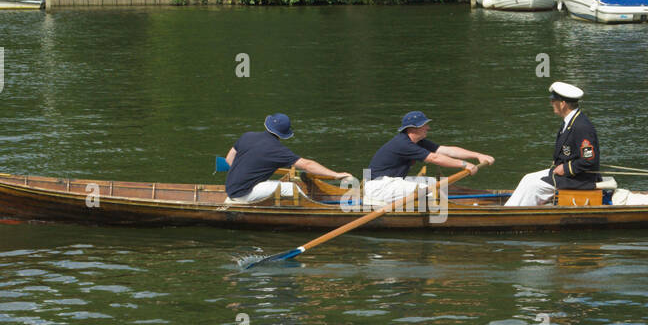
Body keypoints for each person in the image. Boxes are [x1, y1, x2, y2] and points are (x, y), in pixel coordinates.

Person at [363, 111, 495, 205]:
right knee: (431, 191)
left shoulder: (418, 141)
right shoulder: (403, 144)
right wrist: (464, 165)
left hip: (390, 182)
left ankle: (447, 204)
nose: (428, 128)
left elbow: (447, 150)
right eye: (424, 125)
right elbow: (435, 158)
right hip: (378, 187)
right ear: (412, 129)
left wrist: (478, 155)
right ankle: (450, 212)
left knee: (433, 183)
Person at [504, 82, 601, 207]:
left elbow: (589, 160)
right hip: (569, 175)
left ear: (563, 104)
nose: (551, 103)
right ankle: (509, 209)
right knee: (528, 178)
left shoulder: (581, 126)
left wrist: (565, 168)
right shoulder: (571, 121)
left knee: (533, 187)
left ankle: (511, 215)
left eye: (553, 100)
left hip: (580, 179)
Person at [223, 114, 353, 204]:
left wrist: (248, 173)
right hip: (243, 194)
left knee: (275, 185)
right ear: (284, 134)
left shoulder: (247, 136)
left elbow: (229, 159)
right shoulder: (277, 150)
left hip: (230, 189)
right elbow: (307, 165)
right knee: (292, 188)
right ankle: (310, 208)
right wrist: (336, 175)